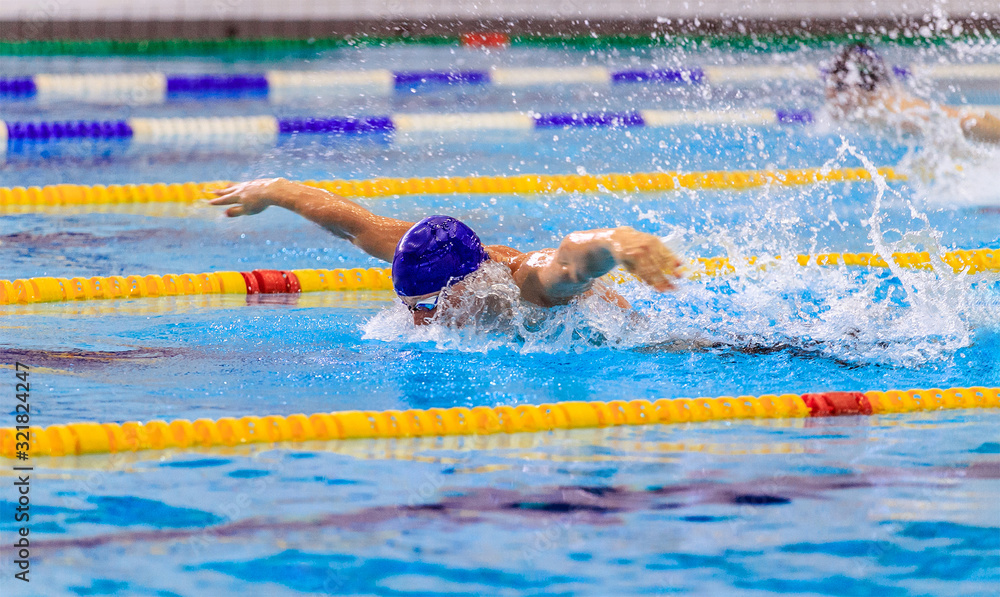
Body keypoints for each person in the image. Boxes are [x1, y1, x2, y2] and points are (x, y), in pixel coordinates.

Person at [209, 177, 683, 325]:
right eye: (412, 307)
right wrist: (273, 190)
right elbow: (347, 224)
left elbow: (568, 260)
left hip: (645, 340)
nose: (419, 319)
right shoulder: (419, 254)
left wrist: (618, 243)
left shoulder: (522, 284)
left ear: (467, 283)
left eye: (430, 306)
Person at [824, 43, 1000, 145]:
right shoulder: (870, 111)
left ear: (859, 89)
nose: (829, 95)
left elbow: (963, 122)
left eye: (837, 87)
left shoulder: (895, 111)